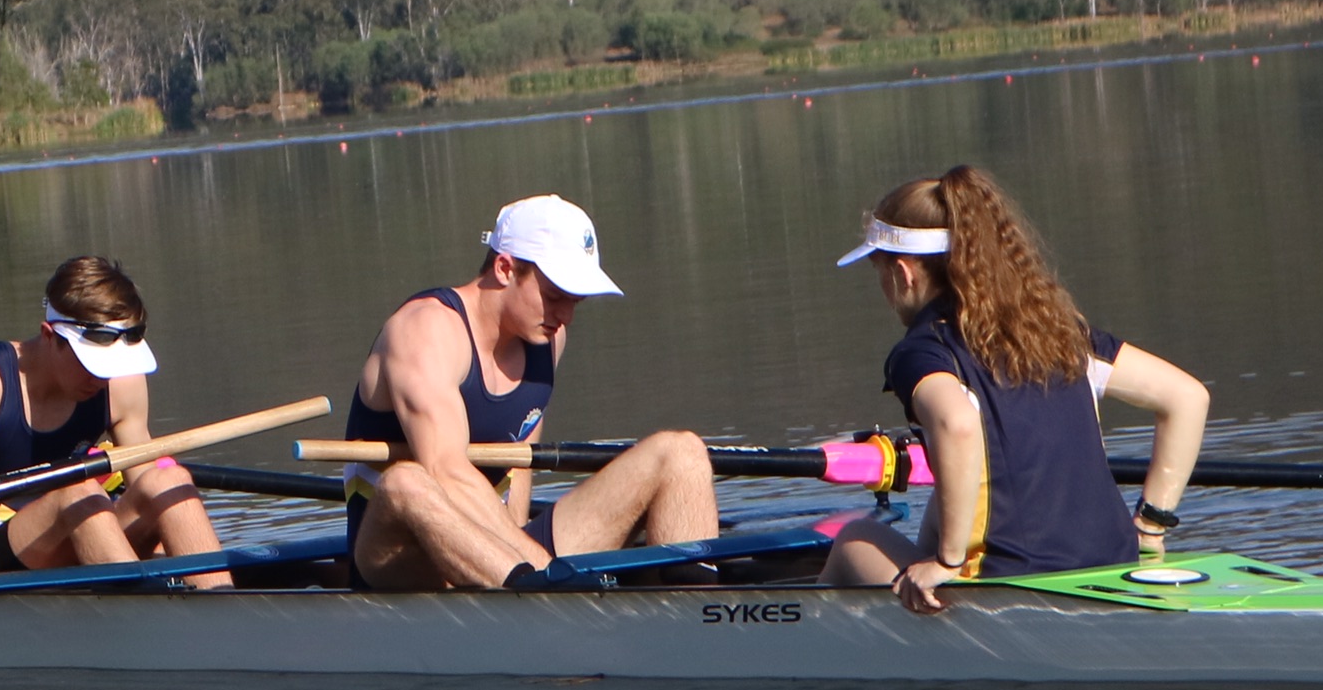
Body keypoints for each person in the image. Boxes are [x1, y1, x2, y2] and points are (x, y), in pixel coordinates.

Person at [817, 166, 1209, 612]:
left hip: (1012, 585)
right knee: (944, 502)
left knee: (854, 538)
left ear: (904, 273)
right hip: (1115, 562)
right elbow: (1187, 398)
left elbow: (957, 424)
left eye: (878, 270)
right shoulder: (1060, 332)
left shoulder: (922, 351)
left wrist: (947, 560)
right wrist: (1152, 525)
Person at [344, 195, 721, 590]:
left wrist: (523, 553)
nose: (565, 317)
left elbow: (517, 464)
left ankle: (697, 610)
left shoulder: (546, 338)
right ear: (505, 268)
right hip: (400, 559)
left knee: (682, 453)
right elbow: (447, 473)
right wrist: (551, 574)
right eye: (556, 297)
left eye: (575, 302)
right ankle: (551, 599)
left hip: (500, 555)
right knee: (408, 481)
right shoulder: (425, 332)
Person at [0, 254, 231, 587]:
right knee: (78, 493)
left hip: (83, 532)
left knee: (169, 480)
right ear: (48, 336)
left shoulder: (122, 382)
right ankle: (140, 615)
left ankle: (222, 605)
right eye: (93, 364)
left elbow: (147, 495)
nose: (102, 379)